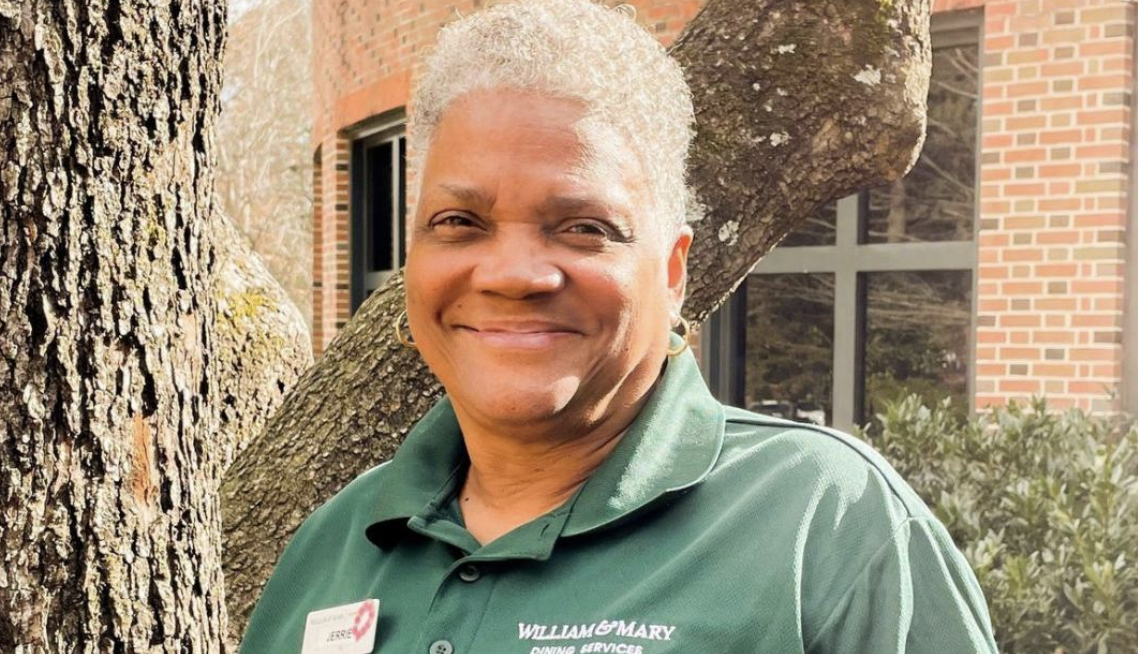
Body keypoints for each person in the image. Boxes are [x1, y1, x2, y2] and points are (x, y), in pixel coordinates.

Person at [240, 1, 998, 653]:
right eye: (460, 221)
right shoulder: (332, 544)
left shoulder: (827, 524)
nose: (512, 274)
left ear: (672, 274)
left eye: (584, 227)